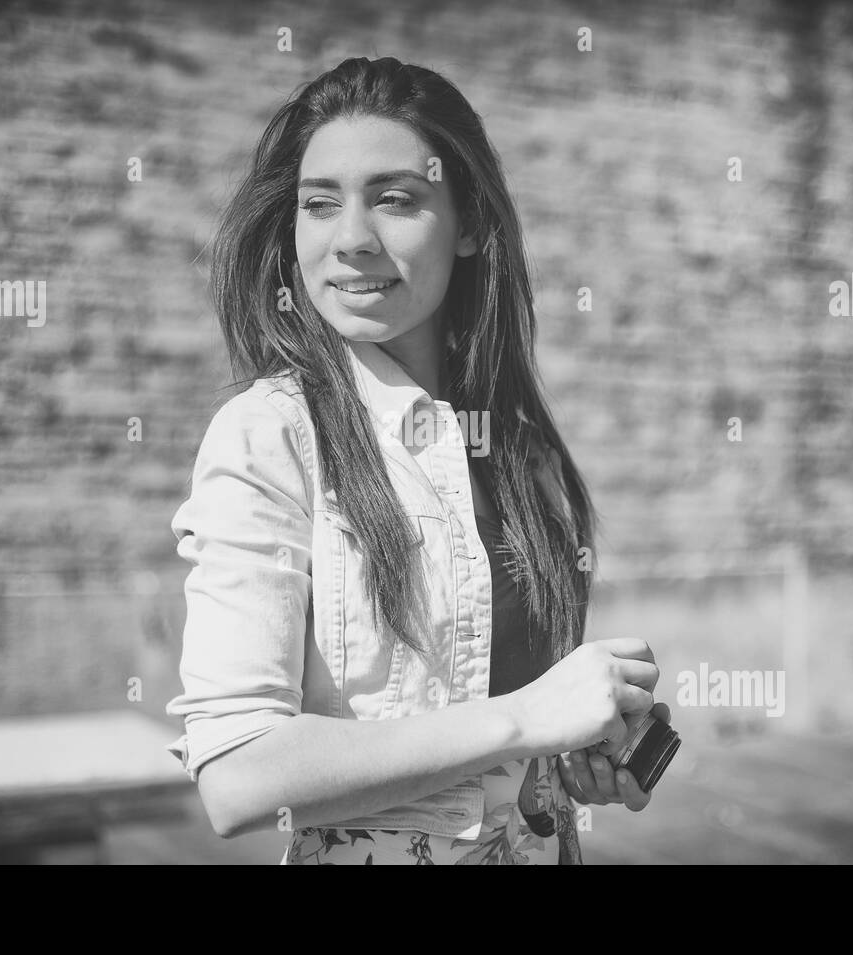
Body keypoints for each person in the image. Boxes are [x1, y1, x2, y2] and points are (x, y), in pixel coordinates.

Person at [165, 56, 669, 865]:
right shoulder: (269, 437)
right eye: (319, 204)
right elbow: (237, 774)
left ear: (469, 223)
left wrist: (581, 750)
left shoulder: (515, 443)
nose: (351, 240)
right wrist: (529, 716)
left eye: (395, 199)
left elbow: (493, 729)